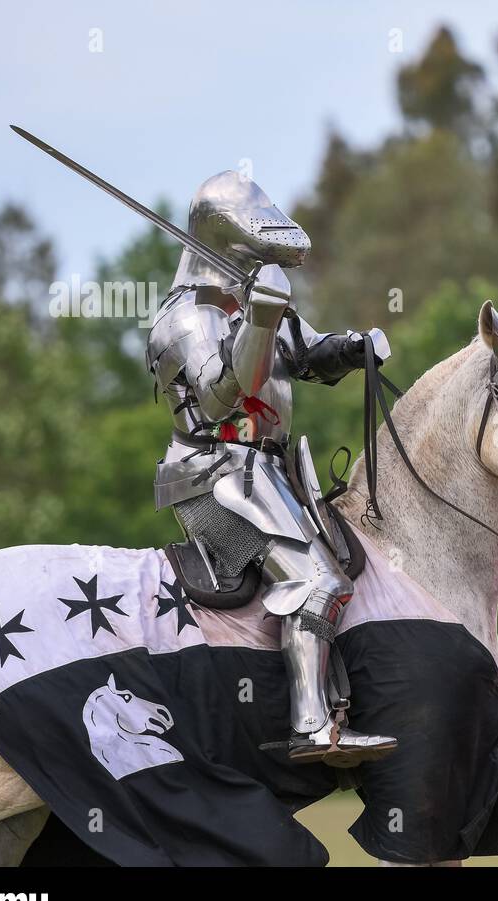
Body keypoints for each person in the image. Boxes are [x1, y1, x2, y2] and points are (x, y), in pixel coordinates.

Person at [146, 171, 396, 765]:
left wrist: (351, 347)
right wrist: (258, 319)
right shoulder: (186, 317)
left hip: (272, 467)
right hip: (216, 471)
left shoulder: (260, 304)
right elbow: (219, 396)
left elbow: (305, 353)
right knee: (317, 581)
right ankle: (311, 726)